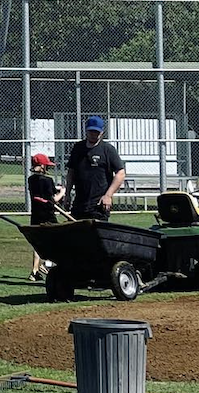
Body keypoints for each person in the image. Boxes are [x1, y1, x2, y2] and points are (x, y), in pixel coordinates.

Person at [65, 115, 127, 221]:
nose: (93, 135)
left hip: (98, 205)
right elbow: (71, 172)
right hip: (79, 204)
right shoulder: (78, 148)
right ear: (86, 131)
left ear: (102, 132)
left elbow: (120, 173)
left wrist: (108, 195)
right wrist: (67, 194)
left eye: (96, 132)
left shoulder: (108, 150)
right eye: (91, 131)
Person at [27, 152, 63, 280]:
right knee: (58, 240)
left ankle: (34, 271)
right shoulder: (48, 180)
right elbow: (53, 200)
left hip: (36, 215)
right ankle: (47, 265)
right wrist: (62, 192)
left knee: (38, 243)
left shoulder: (31, 180)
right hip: (48, 216)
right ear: (42, 166)